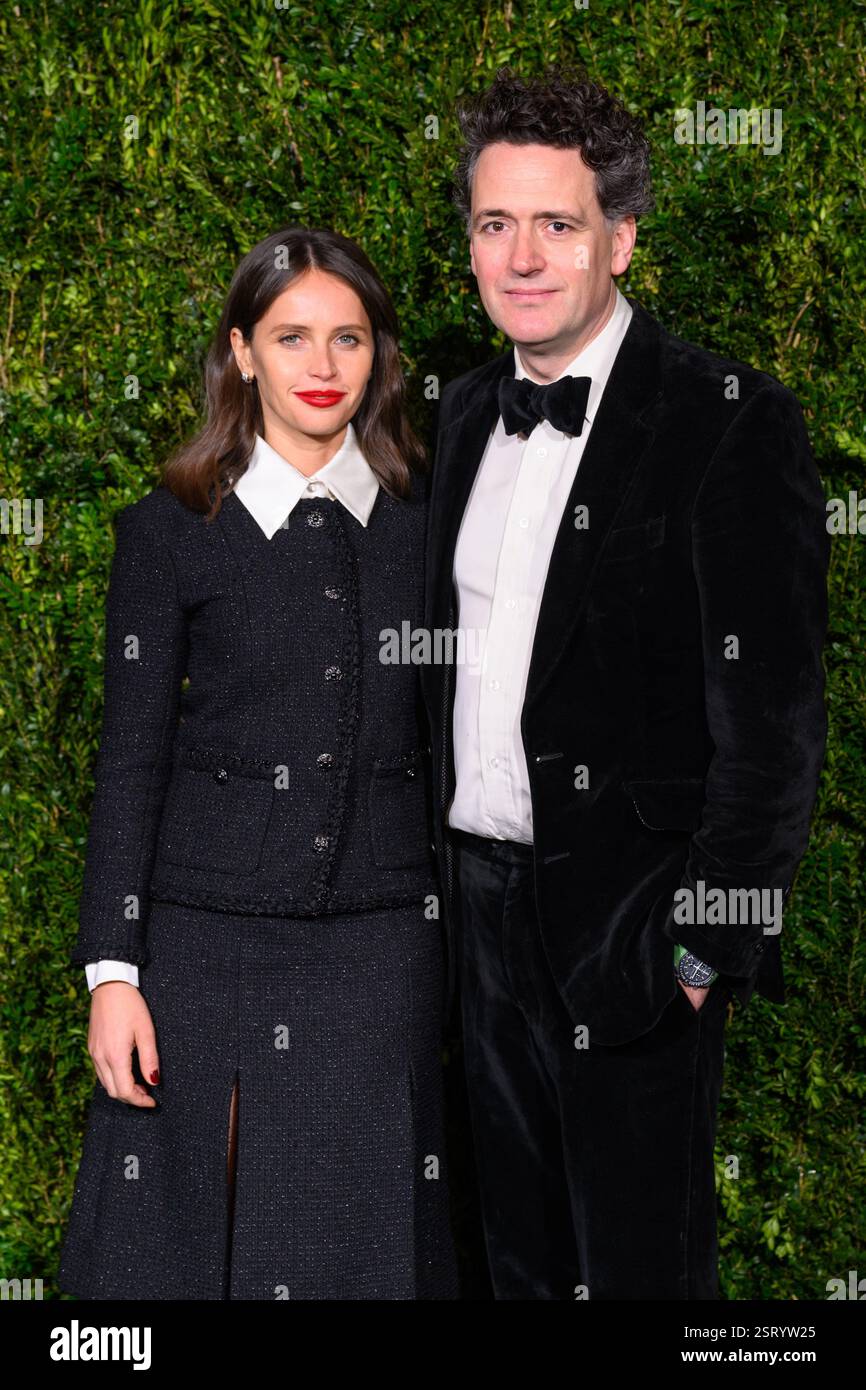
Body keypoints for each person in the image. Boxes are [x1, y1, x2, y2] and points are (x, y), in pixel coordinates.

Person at [420, 66, 829, 1299]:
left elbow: (774, 734)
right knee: (510, 1266)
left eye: (557, 223)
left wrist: (698, 955)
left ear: (621, 238)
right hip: (474, 920)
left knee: (641, 1274)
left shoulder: (727, 421)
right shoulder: (459, 415)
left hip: (626, 937)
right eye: (496, 224)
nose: (523, 256)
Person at [58, 225, 458, 1301]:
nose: (321, 368)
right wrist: (112, 972)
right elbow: (130, 761)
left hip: (382, 943)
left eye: (348, 339)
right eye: (290, 339)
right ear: (241, 352)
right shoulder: (169, 529)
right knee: (196, 1235)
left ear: (378, 356)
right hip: (205, 949)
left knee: (365, 1235)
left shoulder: (431, 525)